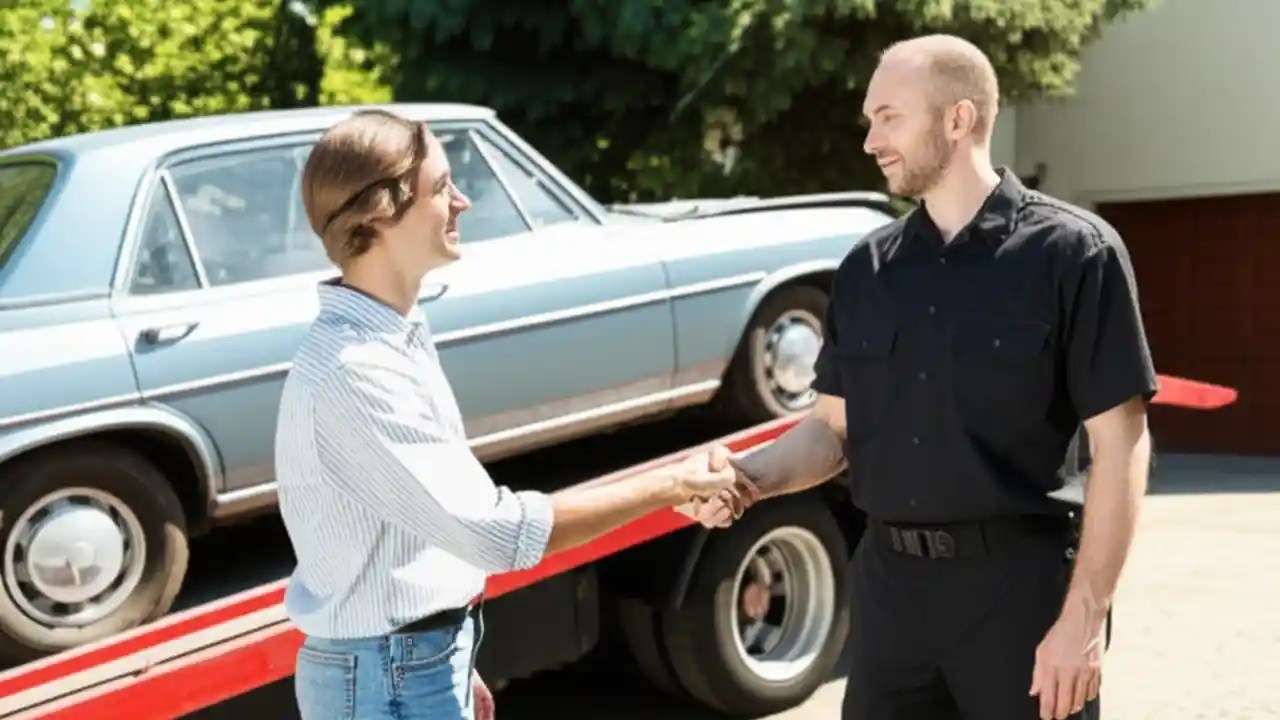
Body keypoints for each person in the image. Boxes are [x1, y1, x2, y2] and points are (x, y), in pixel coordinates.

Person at [689, 34, 1158, 720]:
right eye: (870, 119)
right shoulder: (865, 271)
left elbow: (1122, 446)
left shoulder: (1073, 255)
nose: (871, 139)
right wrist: (747, 479)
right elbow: (831, 433)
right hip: (890, 592)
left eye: (889, 117)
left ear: (958, 119)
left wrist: (1083, 619)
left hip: (1020, 593)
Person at [275, 108, 740, 720]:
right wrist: (670, 484)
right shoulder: (358, 370)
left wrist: (450, 662)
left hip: (405, 667)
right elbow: (495, 532)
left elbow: (410, 534)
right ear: (382, 212)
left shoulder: (391, 336)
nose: (461, 201)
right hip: (389, 676)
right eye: (441, 187)